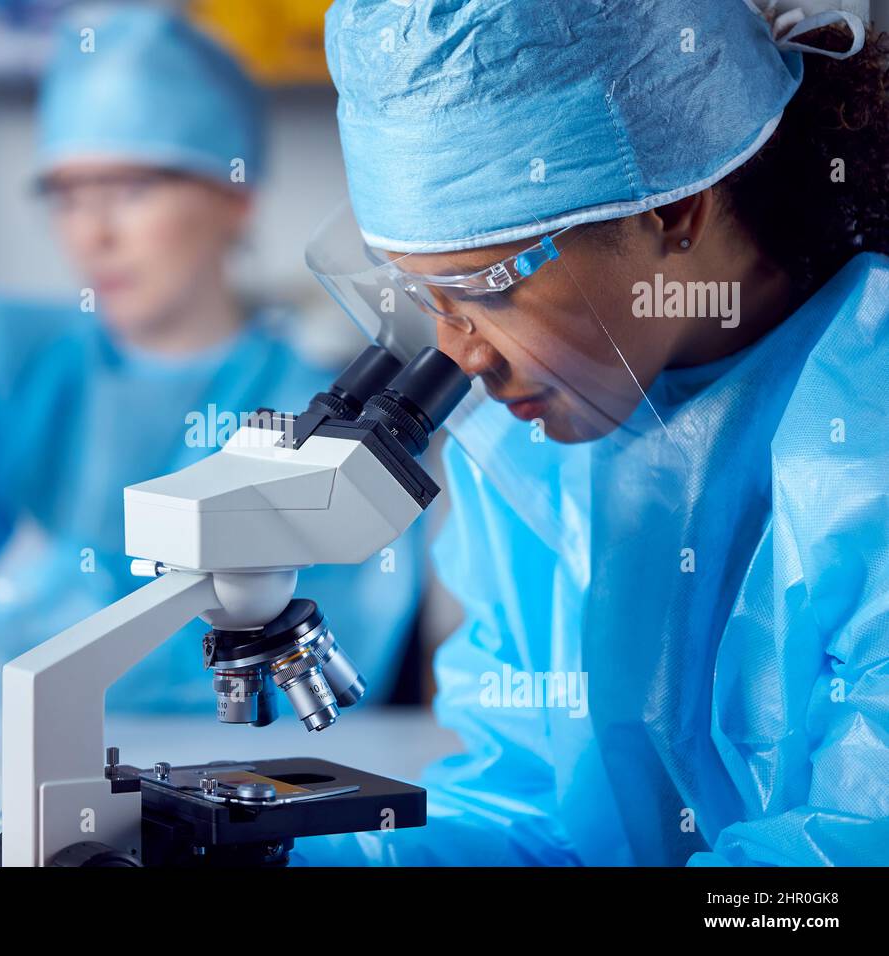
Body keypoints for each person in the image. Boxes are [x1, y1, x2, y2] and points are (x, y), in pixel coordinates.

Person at [294, 0, 889, 865]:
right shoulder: (537, 449)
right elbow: (529, 808)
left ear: (675, 209)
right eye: (428, 301)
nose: (460, 358)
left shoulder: (862, 438)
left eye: (487, 289)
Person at [0, 6, 425, 714]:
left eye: (131, 190)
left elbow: (306, 701)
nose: (93, 234)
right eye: (68, 195)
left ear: (236, 198)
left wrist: (14, 570)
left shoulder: (328, 423)